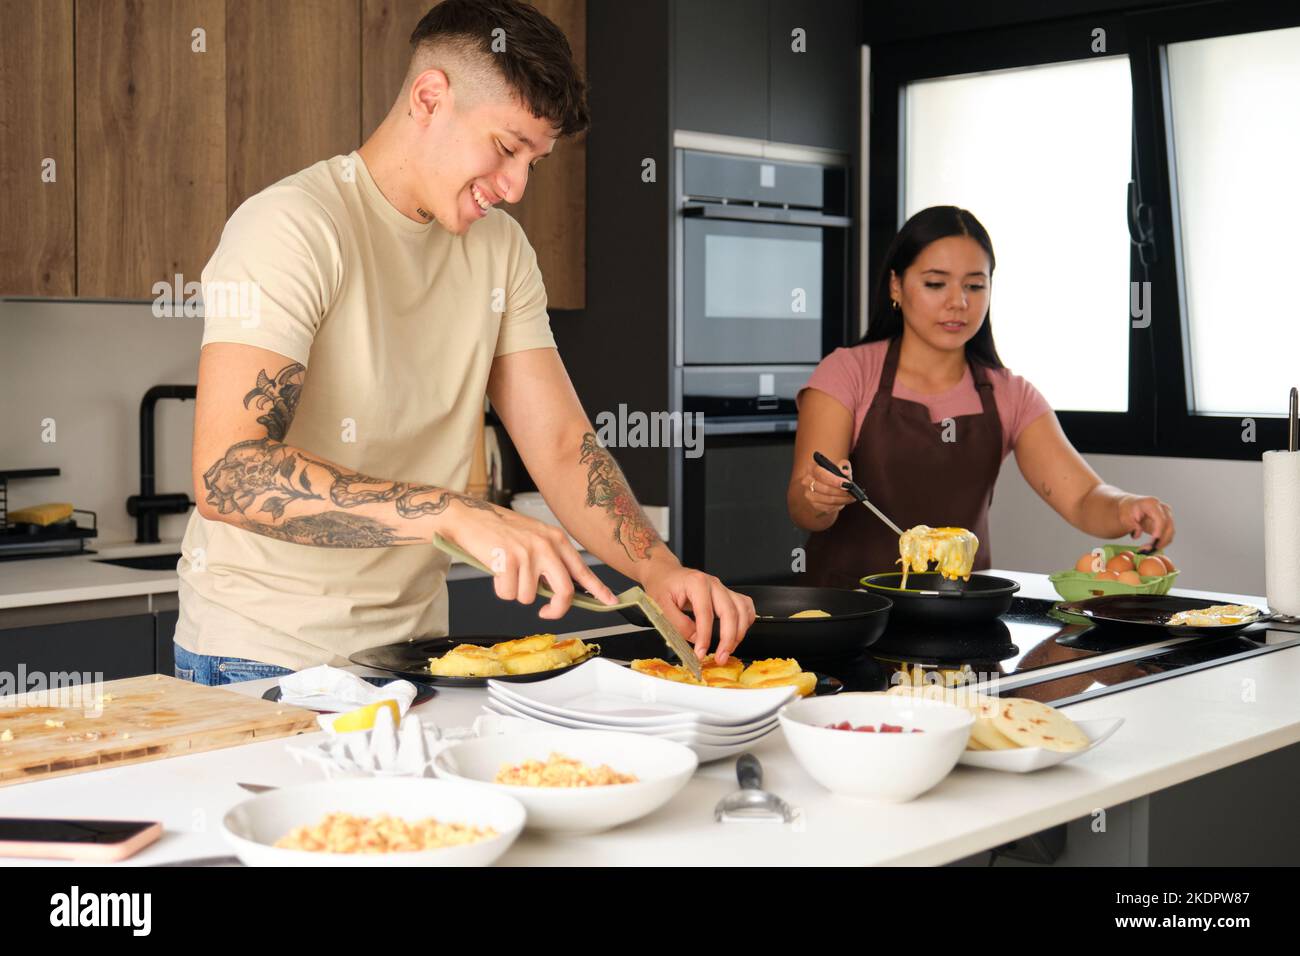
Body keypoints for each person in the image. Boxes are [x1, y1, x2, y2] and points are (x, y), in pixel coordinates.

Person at [174, 0, 754, 685]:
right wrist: (453, 512)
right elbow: (229, 475)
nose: (514, 187)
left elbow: (564, 447)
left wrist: (659, 569)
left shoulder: (500, 250)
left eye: (533, 163)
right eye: (506, 148)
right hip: (263, 655)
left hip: (418, 653)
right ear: (429, 98)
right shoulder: (293, 227)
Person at [788, 205, 1175, 587]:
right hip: (850, 612)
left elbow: (1084, 497)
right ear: (896, 285)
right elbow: (804, 510)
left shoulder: (1011, 394)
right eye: (936, 284)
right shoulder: (848, 372)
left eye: (975, 285)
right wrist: (820, 497)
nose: (958, 302)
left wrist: (1125, 506)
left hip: (959, 615)